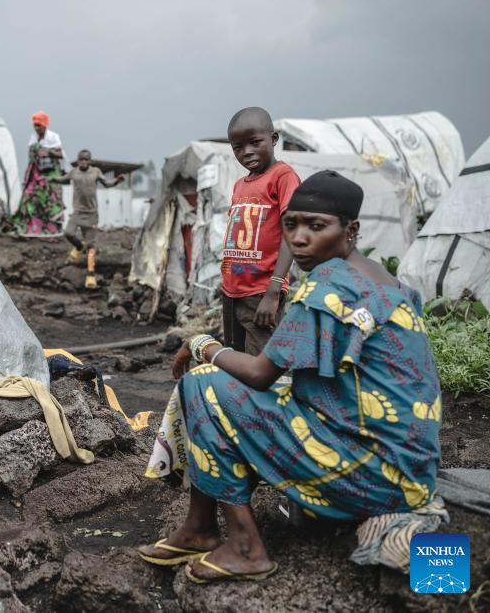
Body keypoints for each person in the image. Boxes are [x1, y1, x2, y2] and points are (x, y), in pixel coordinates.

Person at [138, 171, 442, 584]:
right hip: (410, 472)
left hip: (372, 475)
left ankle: (246, 549)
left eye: (316, 226)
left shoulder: (329, 285)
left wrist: (201, 345)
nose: (299, 238)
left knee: (203, 384)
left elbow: (261, 373)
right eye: (291, 224)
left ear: (350, 230)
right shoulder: (388, 282)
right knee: (228, 387)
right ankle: (199, 530)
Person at [220, 107, 301, 355]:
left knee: (261, 364)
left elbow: (292, 231)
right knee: (235, 359)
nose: (247, 152)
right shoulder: (239, 185)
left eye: (255, 142)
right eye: (238, 147)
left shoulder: (283, 176)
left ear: (273, 139)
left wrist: (274, 290)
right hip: (232, 291)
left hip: (262, 292)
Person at [49, 149, 125, 289]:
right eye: (81, 159)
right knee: (68, 233)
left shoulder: (95, 172)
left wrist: (117, 181)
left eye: (86, 159)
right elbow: (63, 179)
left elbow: (107, 184)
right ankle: (78, 246)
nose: (83, 162)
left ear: (90, 161)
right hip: (77, 212)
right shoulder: (73, 172)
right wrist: (52, 179)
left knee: (91, 246)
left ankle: (90, 275)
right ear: (78, 161)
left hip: (91, 214)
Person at [10, 110, 67, 236]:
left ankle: (52, 228)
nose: (36, 128)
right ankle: (34, 228)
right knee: (30, 198)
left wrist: (48, 152)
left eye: (39, 125)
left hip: (50, 175)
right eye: (35, 125)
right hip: (36, 174)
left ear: (45, 125)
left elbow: (60, 154)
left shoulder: (53, 137)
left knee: (51, 201)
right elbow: (32, 156)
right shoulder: (33, 138)